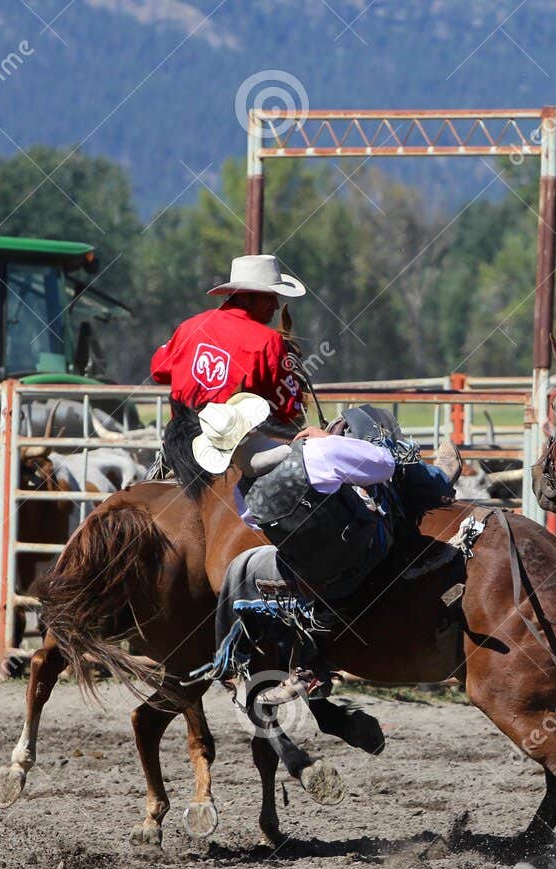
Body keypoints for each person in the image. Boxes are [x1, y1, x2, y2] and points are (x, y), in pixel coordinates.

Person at [189, 393, 399, 705]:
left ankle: (264, 659)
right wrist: (329, 439)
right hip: (369, 551)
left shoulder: (243, 496)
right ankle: (438, 484)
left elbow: (261, 525)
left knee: (247, 565)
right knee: (399, 472)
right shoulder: (317, 451)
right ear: (254, 428)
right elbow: (386, 466)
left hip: (318, 581)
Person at [152, 254, 308, 494]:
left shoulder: (189, 326)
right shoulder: (269, 340)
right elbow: (288, 408)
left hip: (179, 450)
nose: (276, 306)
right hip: (236, 447)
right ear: (247, 296)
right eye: (270, 297)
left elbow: (158, 371)